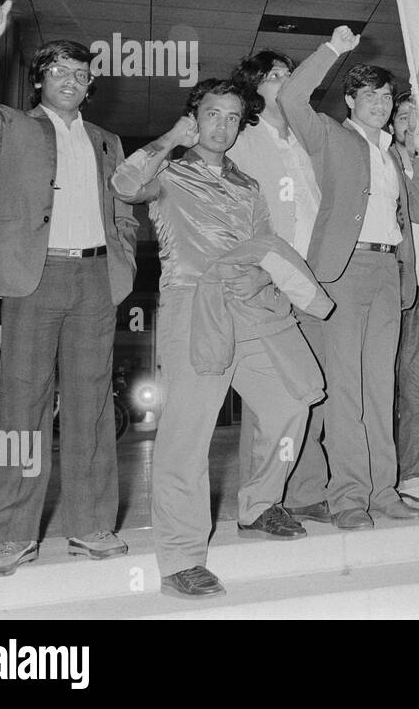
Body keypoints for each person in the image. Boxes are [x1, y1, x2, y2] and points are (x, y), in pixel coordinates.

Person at [112, 77, 328, 598]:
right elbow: (122, 184)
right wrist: (169, 138)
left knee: (292, 403)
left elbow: (261, 246)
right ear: (194, 116)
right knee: (187, 433)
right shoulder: (168, 172)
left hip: (249, 306)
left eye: (233, 117)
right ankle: (181, 558)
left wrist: (264, 277)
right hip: (194, 304)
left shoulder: (249, 187)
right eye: (213, 114)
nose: (223, 126)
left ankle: (257, 505)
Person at [0, 0, 138, 577]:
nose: (72, 82)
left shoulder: (108, 140)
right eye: (59, 72)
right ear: (40, 80)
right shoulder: (12, 125)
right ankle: (12, 535)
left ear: (91, 85)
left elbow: (124, 208)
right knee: (22, 409)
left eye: (81, 75)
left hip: (95, 280)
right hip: (34, 279)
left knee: (92, 407)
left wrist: (122, 257)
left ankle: (91, 526)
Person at [278, 28, 419, 529]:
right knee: (346, 389)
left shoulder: (395, 153)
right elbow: (289, 96)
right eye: (369, 95)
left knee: (380, 387)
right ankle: (348, 498)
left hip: (389, 271)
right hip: (342, 272)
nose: (380, 103)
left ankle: (383, 489)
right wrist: (332, 49)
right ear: (350, 100)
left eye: (387, 95)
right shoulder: (329, 135)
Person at [224, 49, 321, 507]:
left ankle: (302, 492)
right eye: (275, 76)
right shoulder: (240, 139)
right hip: (265, 283)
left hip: (311, 282)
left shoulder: (307, 139)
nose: (285, 81)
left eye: (290, 74)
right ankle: (260, 501)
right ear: (254, 88)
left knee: (309, 391)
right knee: (270, 399)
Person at [389, 73, 419, 509]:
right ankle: (378, 475)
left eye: (417, 116)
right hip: (389, 283)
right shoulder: (379, 160)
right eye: (402, 115)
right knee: (380, 386)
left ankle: (413, 473)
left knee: (418, 387)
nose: (409, 123)